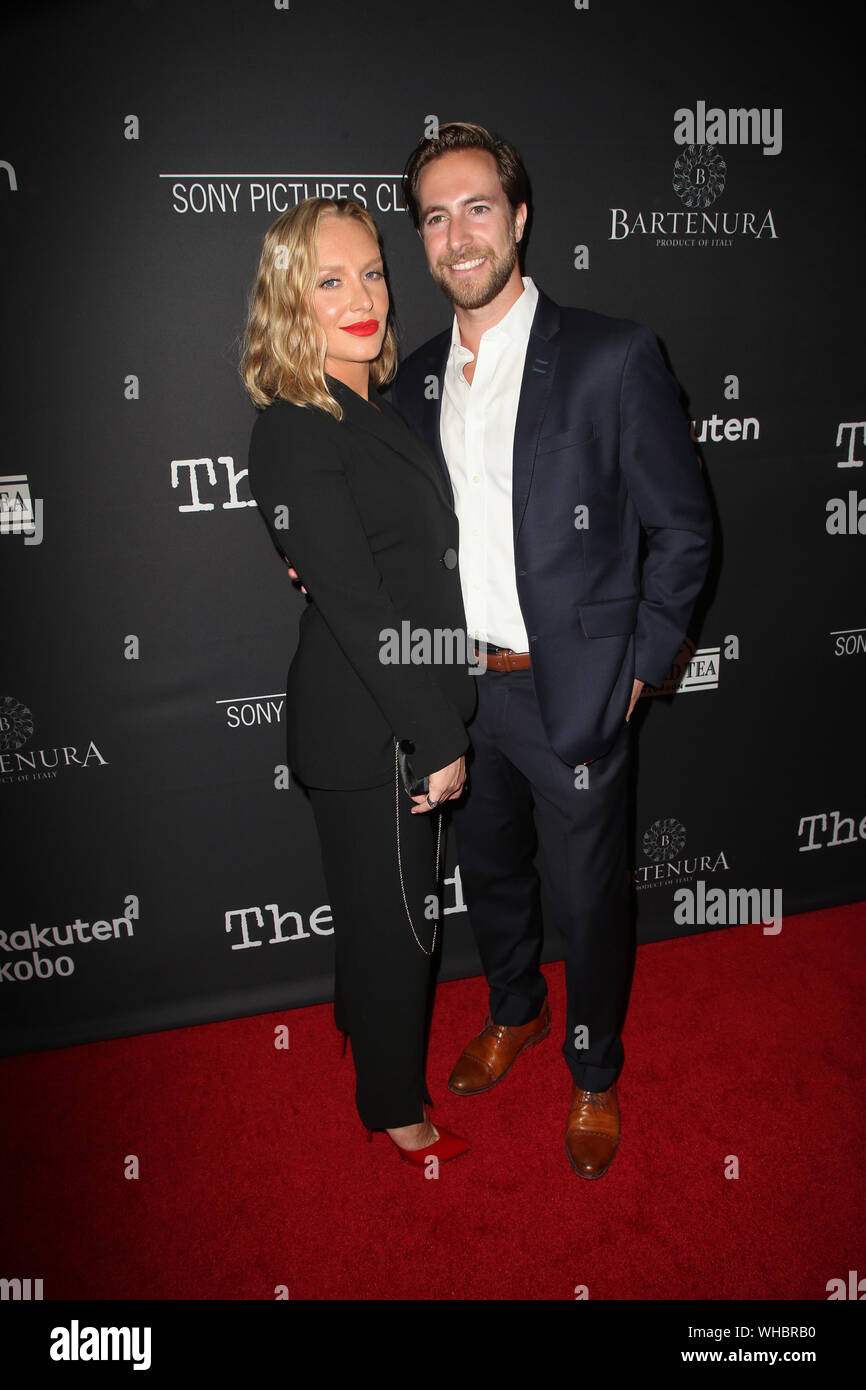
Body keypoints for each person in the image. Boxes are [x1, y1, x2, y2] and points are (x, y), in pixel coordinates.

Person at [391, 122, 713, 1179]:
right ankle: (516, 1009)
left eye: (476, 206)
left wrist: (640, 665)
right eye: (434, 215)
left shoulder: (612, 356)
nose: (457, 233)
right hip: (461, 690)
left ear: (518, 218)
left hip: (572, 691)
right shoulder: (417, 379)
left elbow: (682, 526)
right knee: (490, 879)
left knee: (588, 897)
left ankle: (592, 1067)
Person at [241, 197, 477, 1167]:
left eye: (371, 272)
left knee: (378, 907)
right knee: (398, 929)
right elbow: (357, 606)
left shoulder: (359, 404)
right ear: (289, 301)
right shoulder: (297, 427)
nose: (360, 296)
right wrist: (436, 736)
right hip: (373, 725)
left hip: (385, 709)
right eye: (328, 279)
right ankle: (391, 1106)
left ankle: (356, 1029)